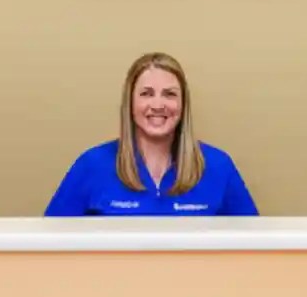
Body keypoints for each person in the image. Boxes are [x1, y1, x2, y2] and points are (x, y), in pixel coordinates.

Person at [45, 52, 258, 216]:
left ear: (183, 105)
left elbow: (255, 246)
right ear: (130, 103)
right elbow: (50, 245)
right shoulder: (92, 165)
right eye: (146, 94)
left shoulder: (218, 166)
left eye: (169, 94)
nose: (157, 105)